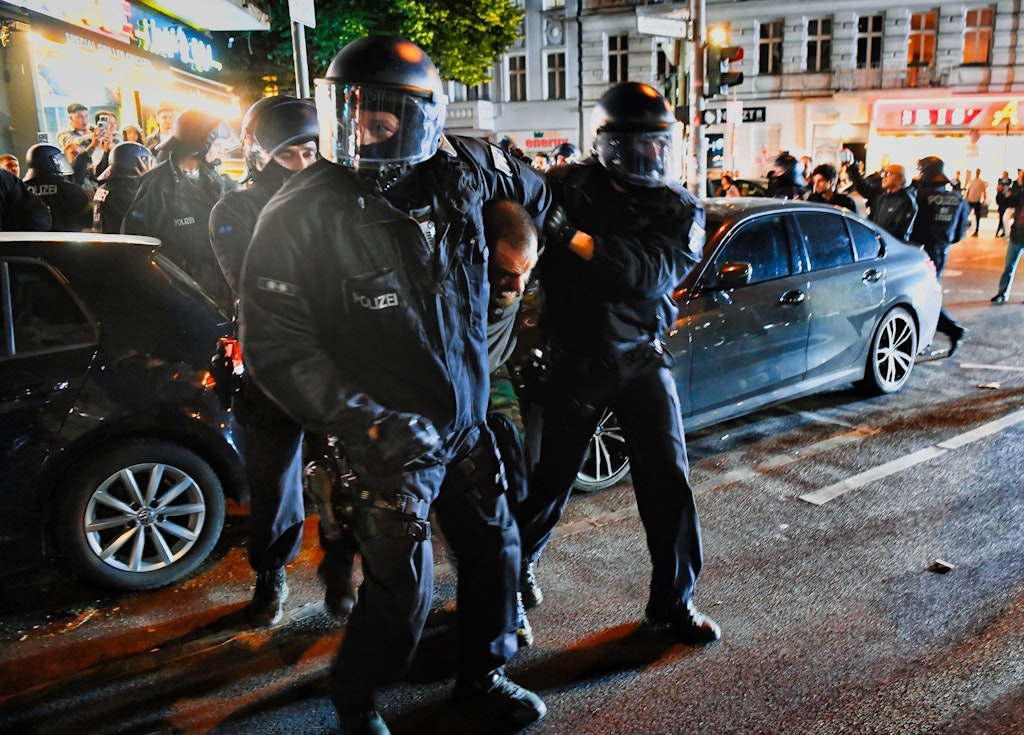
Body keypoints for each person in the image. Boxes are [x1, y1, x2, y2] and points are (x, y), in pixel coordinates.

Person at [238, 36, 550, 735]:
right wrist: (365, 418)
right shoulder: (299, 213)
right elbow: (278, 346)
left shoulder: (466, 170)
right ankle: (357, 701)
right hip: (387, 437)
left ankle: (483, 678)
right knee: (402, 596)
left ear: (419, 118)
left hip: (465, 420)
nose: (362, 132)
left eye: (380, 118)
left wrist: (522, 246)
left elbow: (538, 193)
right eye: (350, 114)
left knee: (497, 558)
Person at [514, 81, 720, 649]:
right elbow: (516, 208)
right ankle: (510, 582)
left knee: (668, 483)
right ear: (611, 144)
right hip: (574, 358)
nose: (653, 154)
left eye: (660, 143)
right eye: (641, 144)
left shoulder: (679, 207)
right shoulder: (567, 184)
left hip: (639, 358)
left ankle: (673, 601)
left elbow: (647, 275)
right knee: (548, 481)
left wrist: (574, 237)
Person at [208, 96, 350, 626]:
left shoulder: (339, 199)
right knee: (274, 479)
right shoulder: (235, 209)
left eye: (311, 152)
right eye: (290, 154)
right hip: (270, 363)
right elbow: (251, 283)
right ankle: (271, 573)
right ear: (262, 153)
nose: (303, 163)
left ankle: (340, 570)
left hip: (335, 358)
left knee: (341, 473)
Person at [482, 198, 541, 643]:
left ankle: (515, 580)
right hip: (450, 387)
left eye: (527, 271)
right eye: (506, 273)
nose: (519, 285)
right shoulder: (454, 282)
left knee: (516, 485)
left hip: (494, 378)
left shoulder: (519, 271)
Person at [122, 108, 237, 312]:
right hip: (180, 293)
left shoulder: (214, 179)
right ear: (198, 145)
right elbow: (134, 241)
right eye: (217, 144)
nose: (221, 150)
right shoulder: (157, 184)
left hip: (217, 288)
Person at [912, 156, 971, 356]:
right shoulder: (958, 199)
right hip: (941, 251)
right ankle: (931, 335)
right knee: (925, 294)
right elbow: (960, 233)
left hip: (921, 251)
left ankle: (951, 330)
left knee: (921, 295)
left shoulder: (919, 196)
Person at [22, 143, 92, 232]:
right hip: (68, 239)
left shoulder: (20, 190)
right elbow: (90, 219)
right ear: (51, 162)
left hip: (29, 240)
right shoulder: (70, 189)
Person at [843, 162, 917, 241]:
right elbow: (862, 187)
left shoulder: (906, 202)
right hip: (875, 241)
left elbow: (898, 232)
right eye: (883, 173)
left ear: (900, 179)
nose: (883, 177)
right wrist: (852, 168)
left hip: (890, 245)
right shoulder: (882, 194)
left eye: (888, 174)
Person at [92, 142, 153, 234]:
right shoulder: (125, 191)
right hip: (121, 241)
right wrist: (147, 184)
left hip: (104, 240)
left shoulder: (105, 187)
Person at [991, 185, 1024, 303]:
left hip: (1017, 235)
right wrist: (1001, 192)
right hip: (1017, 235)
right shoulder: (1021, 194)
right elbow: (1005, 202)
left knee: (1009, 267)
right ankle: (1002, 293)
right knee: (1009, 267)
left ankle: (1002, 294)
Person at [0, 166, 52, 231]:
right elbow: (40, 222)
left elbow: (39, 220)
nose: (14, 169)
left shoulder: (6, 179)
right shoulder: (6, 179)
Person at [964, 167, 987, 236]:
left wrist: (983, 200)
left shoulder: (981, 182)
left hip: (977, 200)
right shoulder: (972, 181)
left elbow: (984, 191)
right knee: (966, 214)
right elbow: (968, 190)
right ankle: (963, 228)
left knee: (977, 216)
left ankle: (976, 230)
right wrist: (966, 198)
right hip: (970, 200)